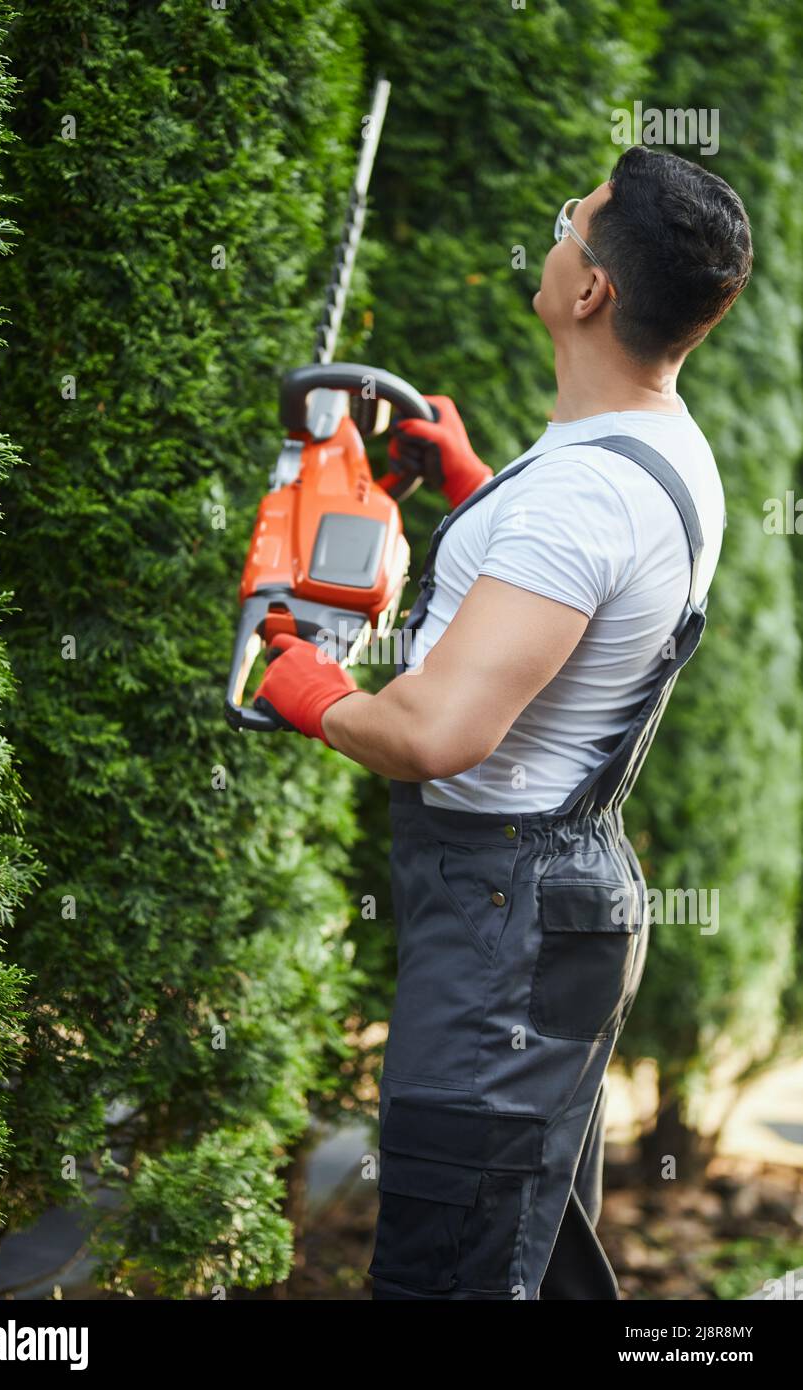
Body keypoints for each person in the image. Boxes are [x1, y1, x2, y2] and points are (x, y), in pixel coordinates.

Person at [253, 145, 752, 1300]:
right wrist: (477, 488)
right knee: (534, 1249)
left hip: (500, 927)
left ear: (590, 292)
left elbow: (437, 732)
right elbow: (584, 588)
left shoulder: (578, 499)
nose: (551, 237)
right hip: (556, 900)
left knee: (452, 1269)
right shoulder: (655, 447)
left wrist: (305, 687)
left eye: (566, 225)